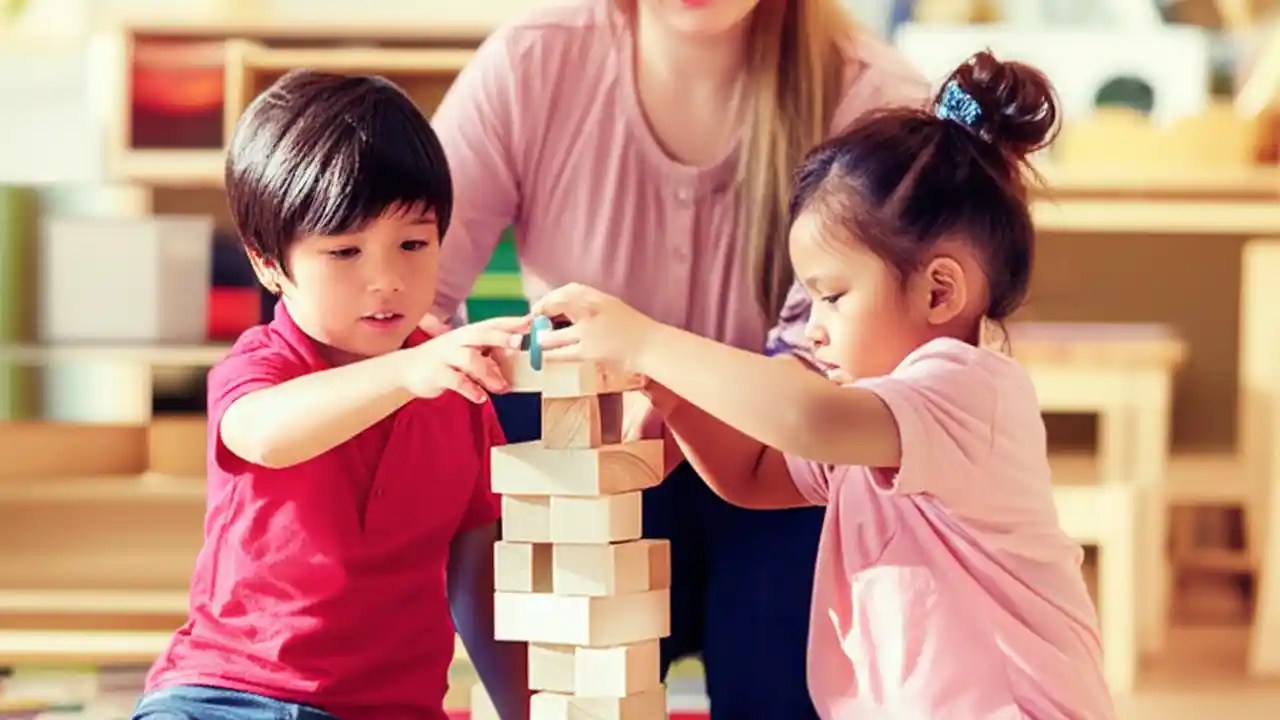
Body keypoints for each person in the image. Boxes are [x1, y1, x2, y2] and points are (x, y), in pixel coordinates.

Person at [529, 51, 1118, 719]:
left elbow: (804, 420)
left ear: (939, 290)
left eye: (832, 297)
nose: (812, 330)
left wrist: (650, 340)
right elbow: (752, 473)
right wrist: (669, 392)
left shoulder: (965, 392)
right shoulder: (871, 421)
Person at [429, 2, 930, 714]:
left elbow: (881, 373)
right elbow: (409, 297)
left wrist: (678, 391)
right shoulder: (533, 62)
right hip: (586, 460)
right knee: (561, 683)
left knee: (784, 677)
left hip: (785, 476)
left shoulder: (871, 94)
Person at [131, 70, 531, 720]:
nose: (387, 281)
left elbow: (478, 577)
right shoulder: (260, 367)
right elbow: (263, 433)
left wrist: (525, 710)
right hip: (225, 697)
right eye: (345, 252)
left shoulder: (458, 394)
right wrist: (407, 374)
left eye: (413, 244)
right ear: (267, 263)